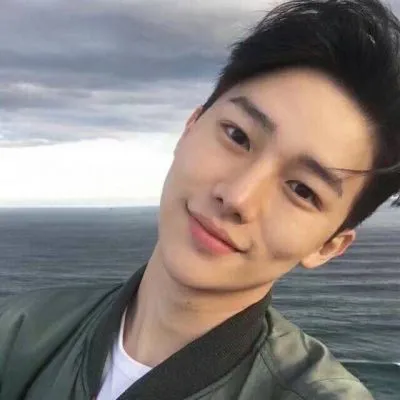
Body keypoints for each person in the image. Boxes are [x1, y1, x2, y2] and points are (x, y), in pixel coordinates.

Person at [1, 0, 400, 399]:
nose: (238, 196)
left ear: (328, 246)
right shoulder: (19, 331)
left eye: (302, 190)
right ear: (190, 127)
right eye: (237, 136)